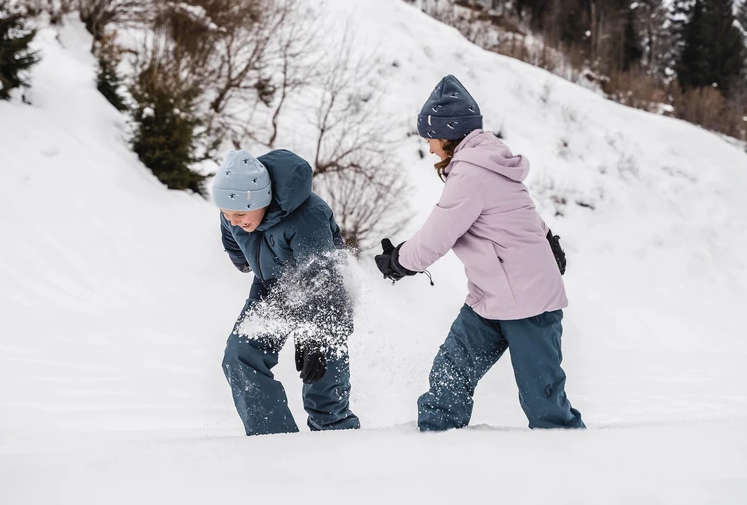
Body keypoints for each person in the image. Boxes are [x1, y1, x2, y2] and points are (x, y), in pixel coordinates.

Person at [375, 75, 584, 432]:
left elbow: (438, 235)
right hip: (491, 297)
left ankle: (566, 460)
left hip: (530, 302)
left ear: (448, 133)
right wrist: (548, 238)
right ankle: (434, 444)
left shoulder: (473, 172)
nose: (429, 148)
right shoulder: (483, 164)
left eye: (431, 138)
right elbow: (520, 210)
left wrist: (399, 262)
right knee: (449, 374)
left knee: (543, 400)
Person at [214, 148, 360, 436]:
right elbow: (235, 246)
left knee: (321, 373)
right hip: (272, 288)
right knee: (240, 354)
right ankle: (273, 437)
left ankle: (336, 433)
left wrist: (315, 336)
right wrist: (244, 258)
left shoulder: (308, 216)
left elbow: (323, 278)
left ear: (261, 199)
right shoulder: (234, 215)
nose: (233, 221)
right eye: (226, 214)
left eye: (240, 214)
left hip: (325, 294)